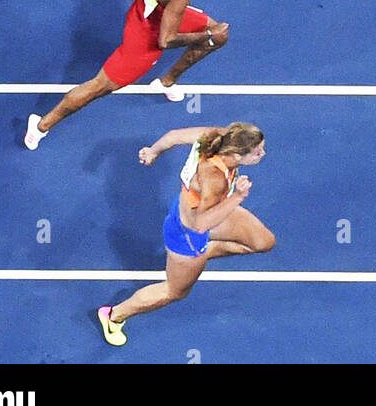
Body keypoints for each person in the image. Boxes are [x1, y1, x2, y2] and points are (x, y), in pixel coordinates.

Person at [24, 0, 227, 150]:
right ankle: (41, 125)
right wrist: (207, 34)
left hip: (153, 10)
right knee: (98, 87)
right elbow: (166, 40)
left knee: (219, 36)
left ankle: (166, 82)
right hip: (147, 35)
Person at [97, 122, 273, 347]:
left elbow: (173, 136)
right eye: (257, 152)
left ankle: (200, 255)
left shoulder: (219, 137)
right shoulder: (215, 179)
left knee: (263, 242)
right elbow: (201, 225)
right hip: (188, 235)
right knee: (175, 291)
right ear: (238, 155)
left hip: (198, 210)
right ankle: (113, 316)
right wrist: (238, 196)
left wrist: (153, 152)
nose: (263, 154)